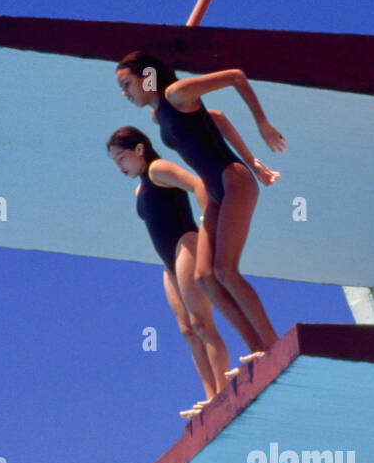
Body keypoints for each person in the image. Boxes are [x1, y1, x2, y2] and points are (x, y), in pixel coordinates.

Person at [115, 51, 284, 360]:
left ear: (148, 76)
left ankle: (273, 344)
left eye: (127, 84)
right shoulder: (158, 115)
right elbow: (215, 119)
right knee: (204, 277)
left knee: (225, 270)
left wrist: (261, 127)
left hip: (234, 182)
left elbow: (235, 75)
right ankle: (257, 350)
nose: (125, 94)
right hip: (217, 191)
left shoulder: (177, 93)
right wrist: (256, 163)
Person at [107, 126, 230, 417]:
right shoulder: (140, 188)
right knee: (188, 331)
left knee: (202, 322)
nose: (119, 166)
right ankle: (211, 396)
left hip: (186, 244)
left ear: (139, 149)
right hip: (168, 263)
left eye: (122, 157)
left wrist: (209, 229)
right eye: (115, 162)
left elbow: (198, 185)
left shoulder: (157, 169)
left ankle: (224, 392)